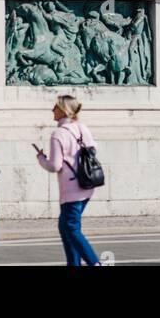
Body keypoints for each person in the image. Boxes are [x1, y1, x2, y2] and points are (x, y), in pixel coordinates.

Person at [35, 94, 101, 267]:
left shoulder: (58, 134)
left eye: (55, 107)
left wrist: (41, 158)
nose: (52, 110)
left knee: (71, 228)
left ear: (63, 109)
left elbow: (55, 166)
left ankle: (95, 263)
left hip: (71, 188)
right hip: (87, 184)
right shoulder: (81, 128)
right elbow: (93, 149)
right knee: (65, 227)